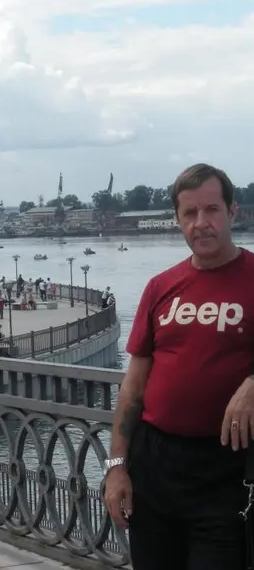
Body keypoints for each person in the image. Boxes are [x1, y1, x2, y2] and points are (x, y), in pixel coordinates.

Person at [103, 163, 254, 570]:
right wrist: (117, 468)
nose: (201, 223)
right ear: (178, 219)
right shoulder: (161, 286)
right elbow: (133, 386)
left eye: (212, 209)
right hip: (155, 467)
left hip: (226, 471)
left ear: (232, 212)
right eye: (190, 213)